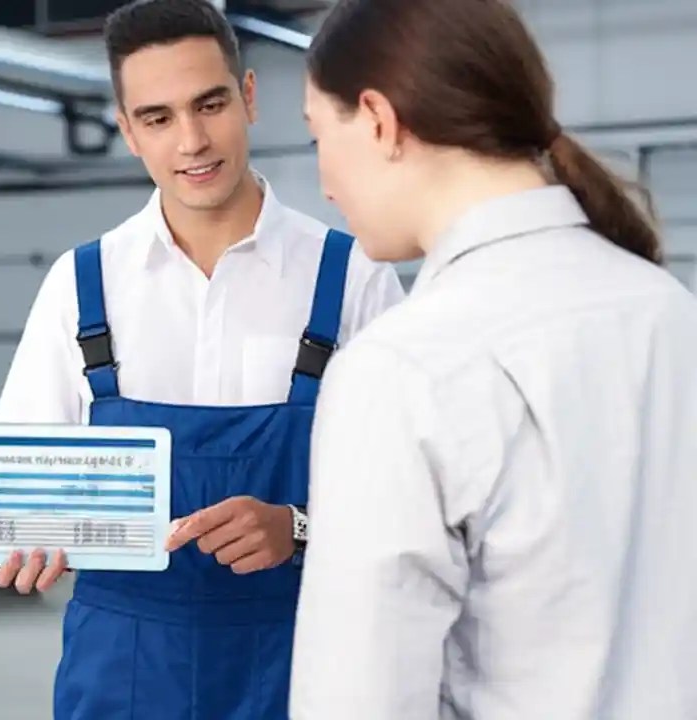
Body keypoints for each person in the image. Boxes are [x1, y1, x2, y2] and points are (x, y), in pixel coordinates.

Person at [0, 1, 405, 717]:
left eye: (209, 105)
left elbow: (409, 497)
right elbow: (19, 495)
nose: (192, 141)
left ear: (248, 97)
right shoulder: (81, 285)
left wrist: (297, 528)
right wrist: (27, 536)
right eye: (157, 118)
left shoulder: (353, 279)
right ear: (127, 131)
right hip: (121, 668)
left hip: (300, 659)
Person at [287, 0, 697, 718]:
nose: (324, 182)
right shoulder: (669, 310)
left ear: (379, 120)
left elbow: (358, 699)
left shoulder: (403, 367)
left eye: (319, 134)